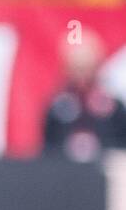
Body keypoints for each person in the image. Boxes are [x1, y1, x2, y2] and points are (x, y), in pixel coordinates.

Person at [43, 30, 126, 162]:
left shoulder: (114, 108)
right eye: (77, 68)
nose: (82, 76)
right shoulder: (57, 108)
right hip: (65, 174)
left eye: (87, 68)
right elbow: (48, 150)